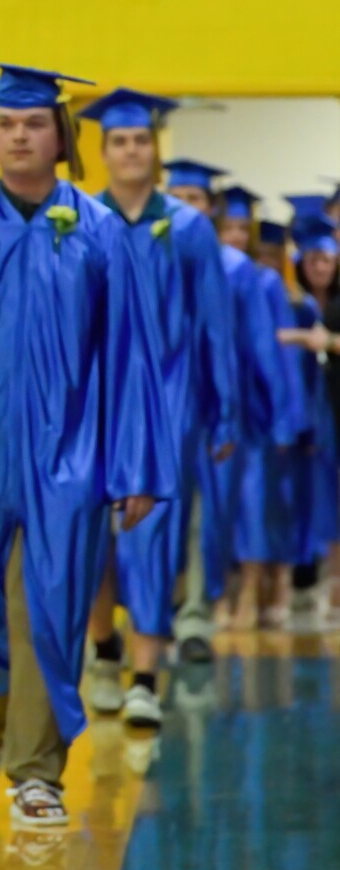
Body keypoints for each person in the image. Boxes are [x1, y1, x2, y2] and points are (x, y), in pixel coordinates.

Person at [0, 61, 175, 824]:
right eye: (7, 123)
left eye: (34, 123)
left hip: (69, 457)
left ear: (61, 136)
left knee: (50, 613)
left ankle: (37, 773)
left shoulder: (100, 233)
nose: (20, 135)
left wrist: (136, 465)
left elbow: (131, 354)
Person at [81, 99, 238, 728]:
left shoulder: (189, 228)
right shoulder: (81, 219)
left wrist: (223, 410)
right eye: (118, 141)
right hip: (94, 403)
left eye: (140, 140)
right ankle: (103, 649)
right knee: (90, 537)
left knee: (154, 536)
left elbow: (215, 325)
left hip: (170, 403)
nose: (130, 151)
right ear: (104, 151)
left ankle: (144, 678)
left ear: (155, 150)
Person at [173, 181, 296, 630]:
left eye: (195, 199)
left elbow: (264, 345)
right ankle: (191, 599)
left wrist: (282, 413)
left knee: (236, 504)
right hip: (173, 402)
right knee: (178, 509)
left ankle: (228, 596)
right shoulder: (161, 255)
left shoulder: (239, 269)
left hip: (232, 400)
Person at [277, 202, 340, 616]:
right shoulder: (291, 302)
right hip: (300, 416)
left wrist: (321, 341)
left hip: (333, 410)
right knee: (300, 498)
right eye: (313, 259)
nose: (320, 267)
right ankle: (296, 585)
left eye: (327, 259)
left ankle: (335, 585)